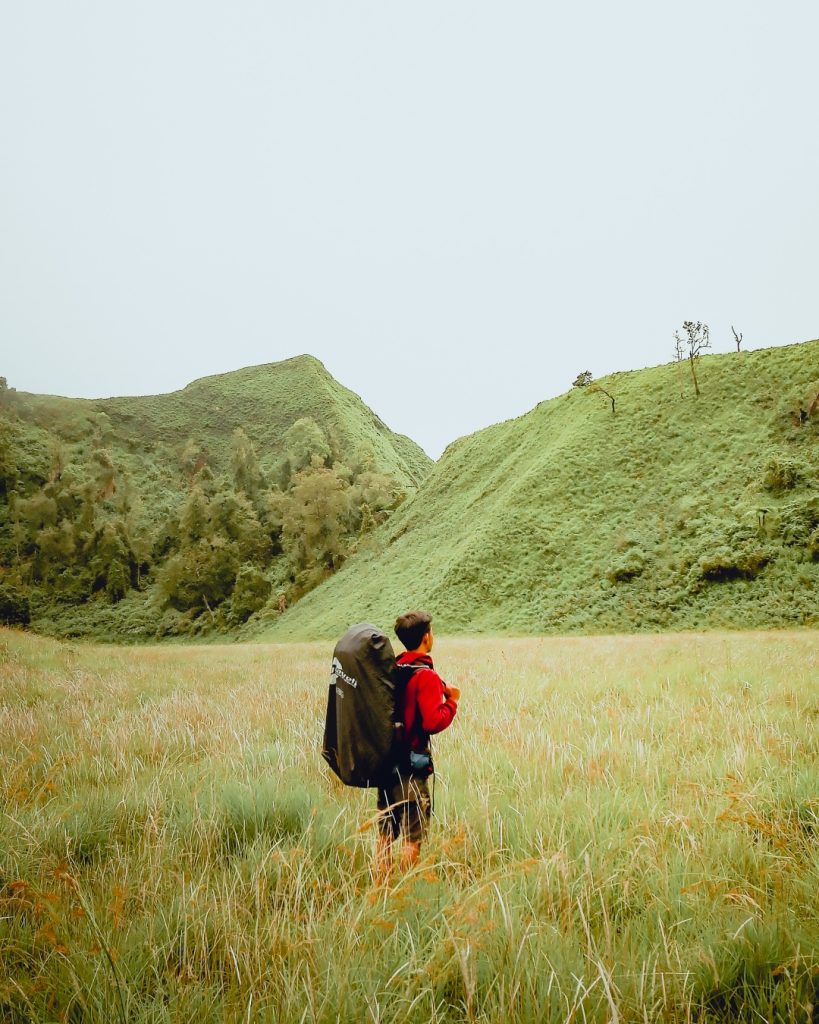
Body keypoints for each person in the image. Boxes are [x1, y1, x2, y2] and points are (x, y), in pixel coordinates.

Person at [374, 610, 460, 878]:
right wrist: (453, 701)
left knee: (386, 833)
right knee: (413, 836)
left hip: (386, 766)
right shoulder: (426, 676)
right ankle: (404, 891)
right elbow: (433, 722)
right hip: (411, 768)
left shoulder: (395, 667)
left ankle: (381, 888)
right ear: (426, 637)